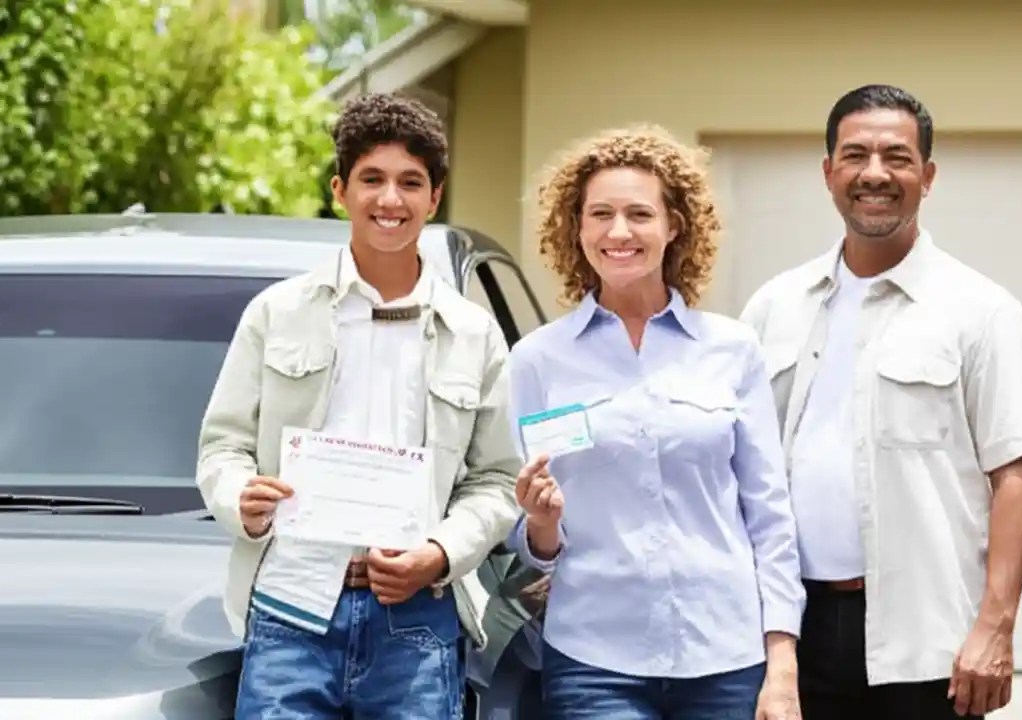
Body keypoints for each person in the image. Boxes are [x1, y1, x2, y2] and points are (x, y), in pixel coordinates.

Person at [195, 92, 522, 720]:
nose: (390, 200)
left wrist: (442, 553)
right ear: (340, 190)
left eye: (410, 182)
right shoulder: (277, 312)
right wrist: (241, 498)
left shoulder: (474, 333)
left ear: (435, 194)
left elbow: (496, 479)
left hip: (418, 619)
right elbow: (223, 446)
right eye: (372, 179)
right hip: (292, 605)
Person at [740, 84, 1022, 720]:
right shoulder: (775, 306)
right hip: (787, 632)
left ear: (928, 175)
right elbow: (735, 468)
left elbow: (1017, 473)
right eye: (855, 155)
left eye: (897, 156)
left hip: (926, 640)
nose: (875, 174)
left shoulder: (980, 310)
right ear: (828, 172)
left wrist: (995, 626)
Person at [506, 125, 805, 720]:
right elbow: (525, 537)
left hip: (726, 655)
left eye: (640, 213)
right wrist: (539, 525)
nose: (620, 232)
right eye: (601, 215)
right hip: (593, 658)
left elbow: (768, 515)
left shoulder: (733, 349)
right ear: (578, 229)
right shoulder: (537, 360)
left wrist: (782, 663)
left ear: (675, 226)